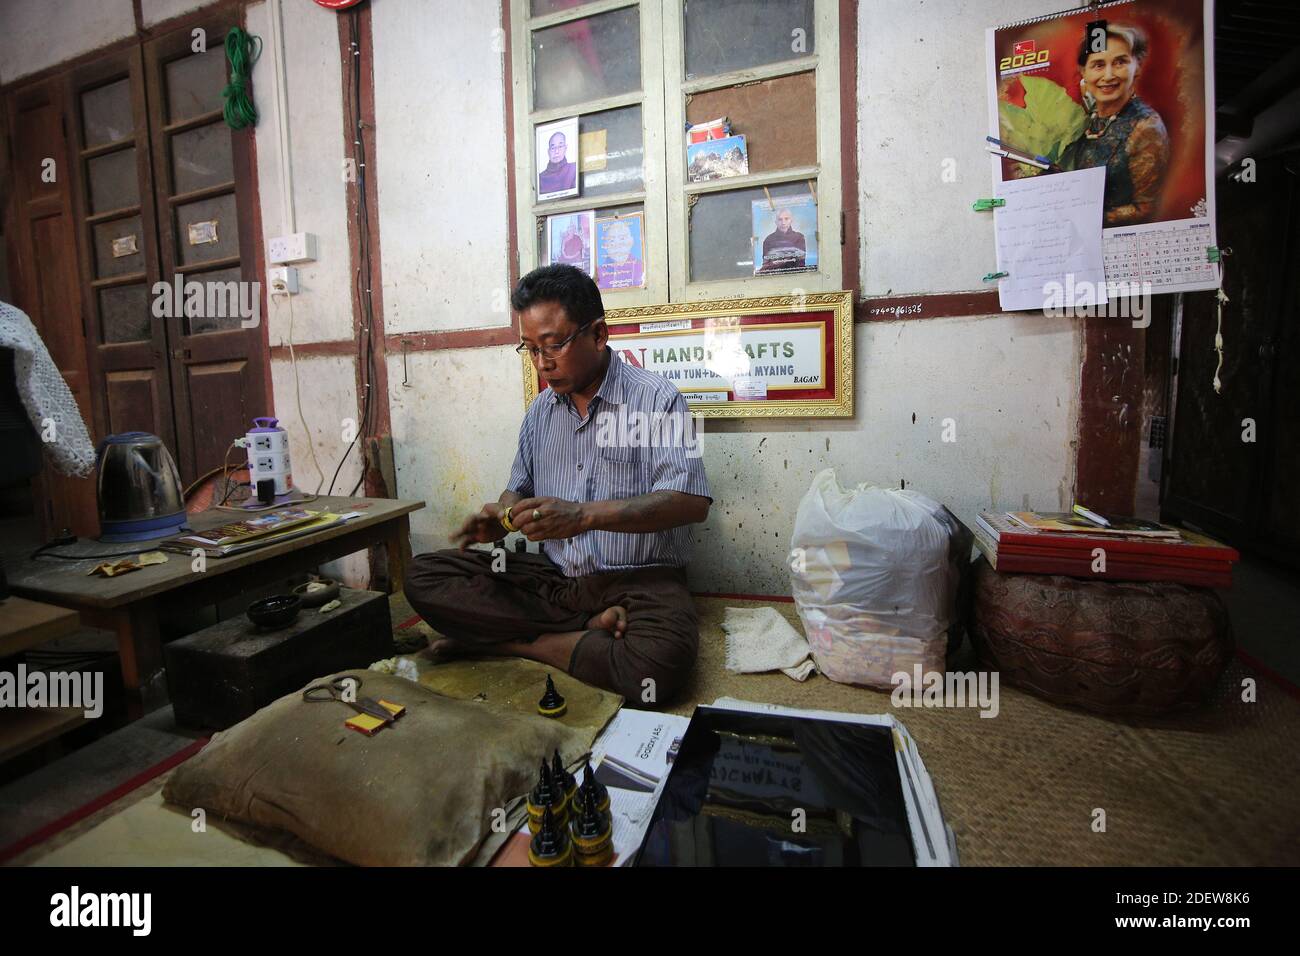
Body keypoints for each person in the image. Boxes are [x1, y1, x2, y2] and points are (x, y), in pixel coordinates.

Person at [403, 265, 712, 704]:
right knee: (424, 576)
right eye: (530, 349)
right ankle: (584, 630)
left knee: (655, 672)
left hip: (641, 580)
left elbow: (690, 503)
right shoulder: (540, 412)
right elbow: (518, 489)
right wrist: (503, 518)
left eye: (554, 345)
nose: (543, 363)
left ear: (599, 335)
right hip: (556, 580)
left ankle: (505, 644)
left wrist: (584, 516)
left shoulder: (656, 400)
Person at [1059, 24, 1170, 227]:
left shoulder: (1146, 128)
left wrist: (1078, 217)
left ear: (1137, 67)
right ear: (1083, 71)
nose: (1108, 75)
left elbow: (1146, 210)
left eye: (1120, 62)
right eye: (1098, 65)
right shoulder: (1086, 116)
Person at [757, 208, 807, 273]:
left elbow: (801, 263)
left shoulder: (799, 237)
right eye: (780, 219)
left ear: (791, 220)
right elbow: (766, 264)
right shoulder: (768, 240)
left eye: (786, 219)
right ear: (776, 222)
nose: (783, 223)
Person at [538, 130, 577, 195]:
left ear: (565, 148)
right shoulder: (540, 178)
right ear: (548, 151)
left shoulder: (573, 169)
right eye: (553, 148)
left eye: (560, 146)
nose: (556, 151)